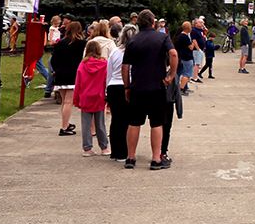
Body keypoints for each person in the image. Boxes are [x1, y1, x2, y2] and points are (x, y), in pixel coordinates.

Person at [121, 9, 178, 170]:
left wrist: (127, 86)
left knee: (134, 123)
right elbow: (173, 54)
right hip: (157, 86)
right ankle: (155, 159)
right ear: (153, 22)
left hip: (137, 87)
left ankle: (130, 158)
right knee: (157, 123)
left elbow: (125, 66)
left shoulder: (133, 40)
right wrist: (171, 75)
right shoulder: (162, 37)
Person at [73, 39, 110, 156]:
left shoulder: (82, 64)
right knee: (100, 123)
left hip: (85, 96)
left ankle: (87, 148)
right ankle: (104, 147)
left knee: (86, 124)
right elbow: (106, 80)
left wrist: (76, 98)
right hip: (99, 96)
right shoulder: (104, 64)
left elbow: (78, 82)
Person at [49, 21, 86, 135]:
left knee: (64, 102)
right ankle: (64, 127)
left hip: (60, 74)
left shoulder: (61, 43)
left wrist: (55, 70)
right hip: (73, 74)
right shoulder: (81, 43)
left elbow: (53, 60)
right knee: (68, 102)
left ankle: (65, 123)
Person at [106, 22, 134, 162]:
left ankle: (116, 151)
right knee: (127, 121)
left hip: (113, 86)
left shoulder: (115, 52)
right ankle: (124, 151)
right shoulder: (134, 53)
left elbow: (109, 72)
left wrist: (106, 89)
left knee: (116, 119)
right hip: (126, 85)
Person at [175, 21, 196, 95]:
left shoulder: (180, 36)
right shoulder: (185, 37)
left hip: (181, 57)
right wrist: (193, 42)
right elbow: (191, 47)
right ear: (188, 28)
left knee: (180, 73)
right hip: (187, 57)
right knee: (187, 74)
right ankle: (181, 89)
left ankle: (179, 88)